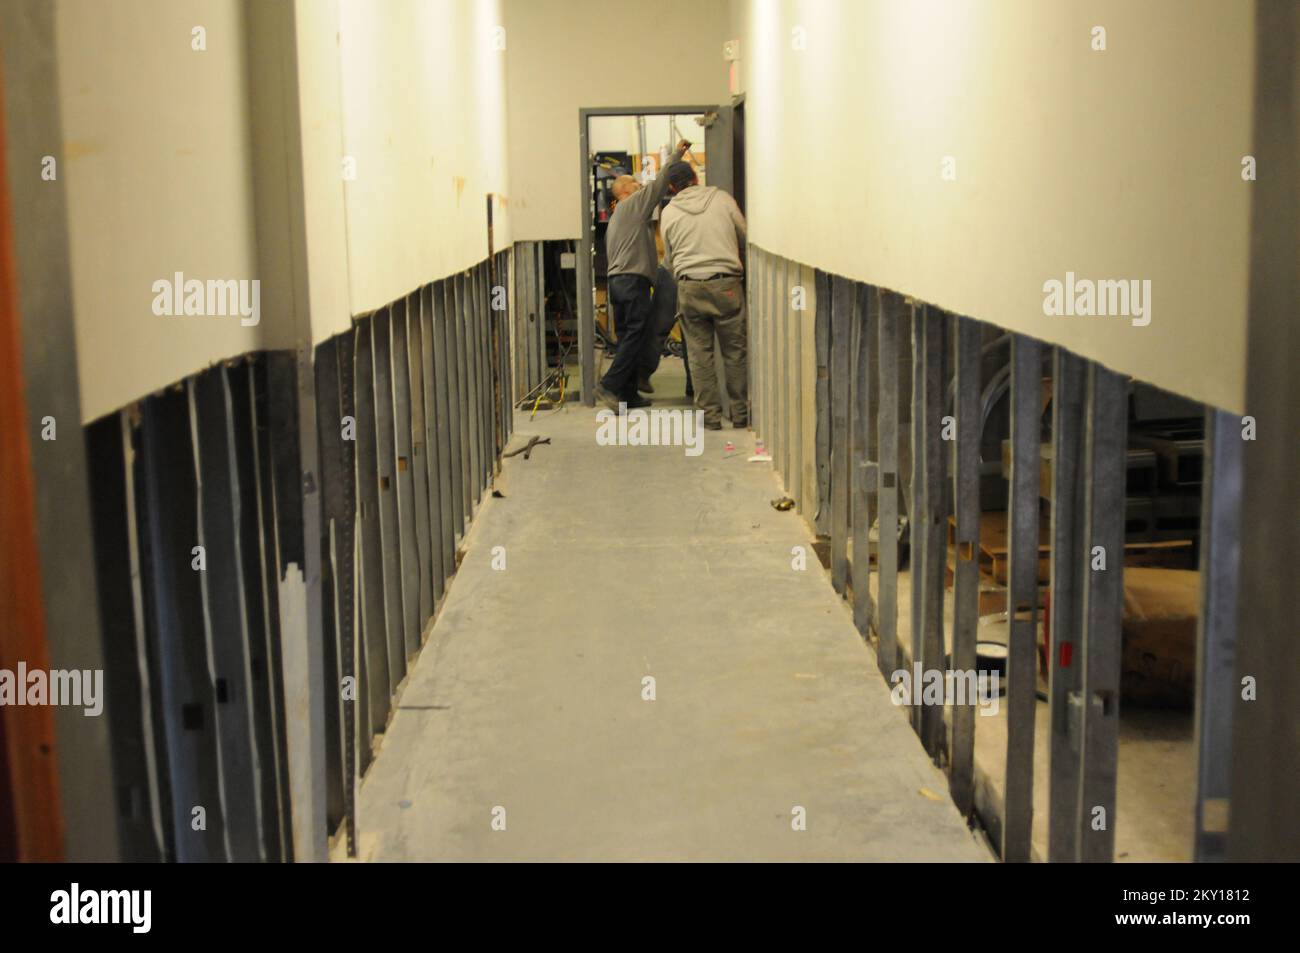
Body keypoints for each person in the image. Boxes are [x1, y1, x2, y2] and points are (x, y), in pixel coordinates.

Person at [595, 139, 690, 412]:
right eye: (636, 184)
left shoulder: (618, 216)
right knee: (637, 335)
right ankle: (610, 384)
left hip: (617, 282)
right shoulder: (634, 204)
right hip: (633, 280)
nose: (640, 186)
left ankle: (627, 395)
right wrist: (678, 153)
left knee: (628, 337)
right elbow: (660, 183)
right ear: (626, 190)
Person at [660, 160, 748, 430]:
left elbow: (669, 259)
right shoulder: (722, 199)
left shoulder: (669, 212)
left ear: (671, 187)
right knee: (734, 352)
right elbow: (744, 235)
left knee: (700, 356)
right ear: (696, 178)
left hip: (690, 287)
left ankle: (710, 417)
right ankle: (740, 414)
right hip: (726, 284)